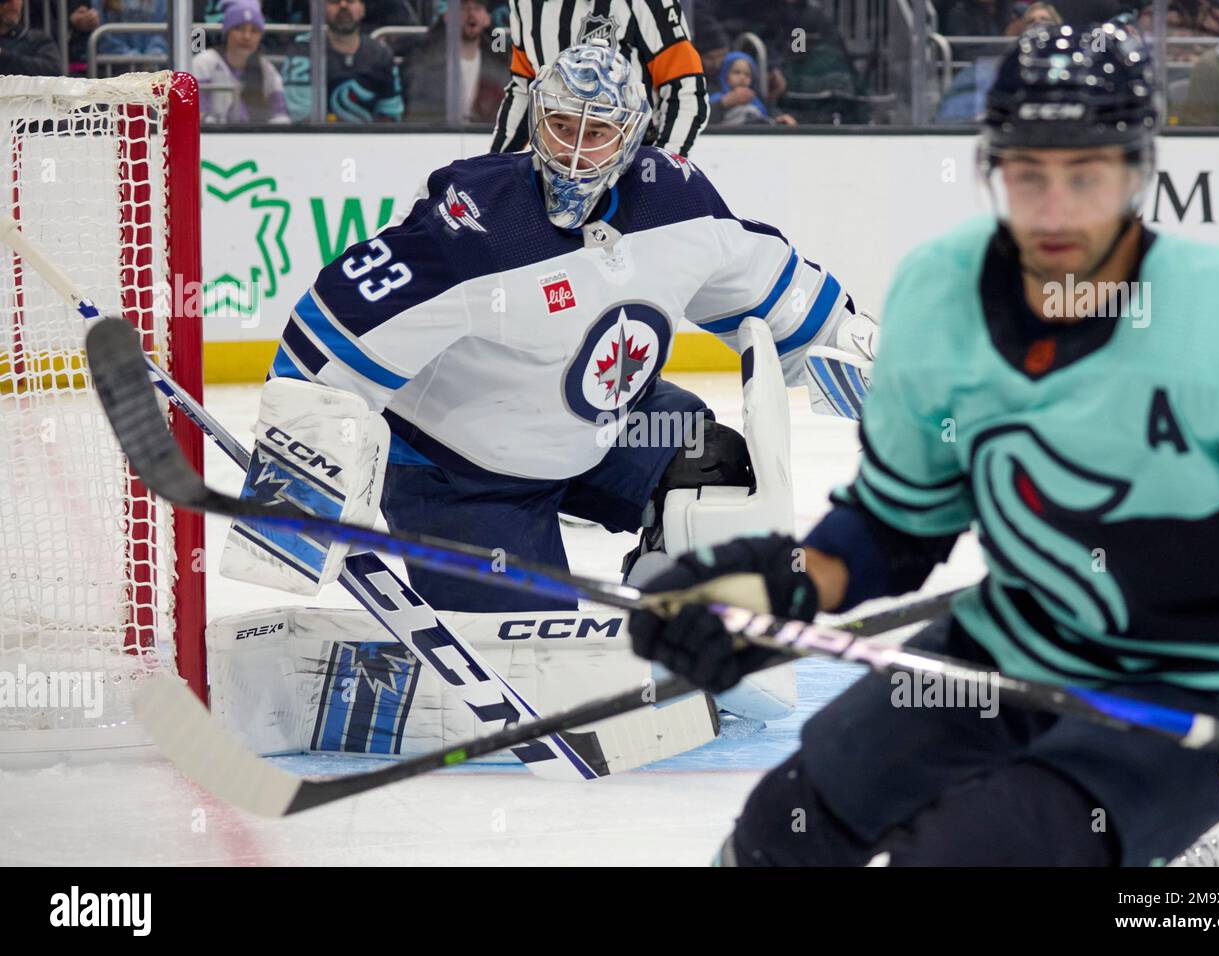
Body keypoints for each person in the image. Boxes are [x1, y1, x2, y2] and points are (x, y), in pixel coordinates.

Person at [628, 21, 1219, 865]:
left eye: (1085, 175)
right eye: (1028, 174)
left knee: (971, 853)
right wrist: (774, 590)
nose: (1053, 211)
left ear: (1137, 175)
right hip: (1014, 641)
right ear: (995, 171)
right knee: (782, 829)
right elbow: (894, 531)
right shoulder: (940, 294)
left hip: (1195, 688)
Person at [232, 40, 874, 696]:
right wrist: (301, 478)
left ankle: (672, 611)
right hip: (459, 476)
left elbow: (774, 289)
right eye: (561, 125)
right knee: (538, 675)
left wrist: (866, 361)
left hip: (602, 434)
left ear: (631, 138)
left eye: (596, 132)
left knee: (712, 467)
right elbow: (332, 328)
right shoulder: (473, 219)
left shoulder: (674, 199)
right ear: (536, 118)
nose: (573, 152)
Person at [490, 1, 708, 158]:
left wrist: (662, 167)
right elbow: (525, 88)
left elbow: (686, 92)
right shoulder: (524, 4)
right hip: (556, 156)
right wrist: (495, 168)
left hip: (630, 160)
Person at [281, 0, 403, 122]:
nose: (343, 6)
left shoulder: (381, 53)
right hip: (319, 139)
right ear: (322, 11)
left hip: (370, 139)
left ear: (362, 9)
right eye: (334, 2)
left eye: (350, 1)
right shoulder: (303, 51)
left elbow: (390, 114)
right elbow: (301, 117)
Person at [401, 0, 509, 125]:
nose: (471, 14)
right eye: (463, 8)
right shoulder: (421, 64)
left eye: (477, 8)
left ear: (487, 19)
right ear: (447, 16)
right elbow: (416, 115)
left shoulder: (501, 67)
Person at [192, 1, 291, 124]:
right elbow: (195, 115)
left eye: (254, 31)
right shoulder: (204, 62)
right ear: (227, 31)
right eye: (239, 29)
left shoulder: (266, 69)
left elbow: (280, 114)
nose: (247, 36)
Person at [709, 51, 795, 126]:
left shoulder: (758, 101)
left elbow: (766, 119)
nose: (742, 77)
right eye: (736, 72)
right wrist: (723, 103)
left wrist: (778, 121)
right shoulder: (716, 98)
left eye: (747, 74)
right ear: (724, 75)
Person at [0, 0, 60, 75]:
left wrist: (4, 57)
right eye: (5, 1)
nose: (14, 3)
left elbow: (53, 70)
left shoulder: (36, 39)